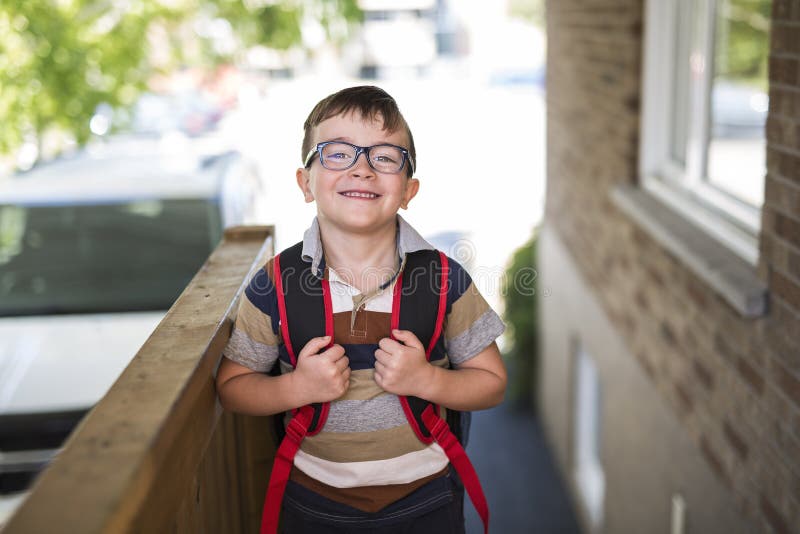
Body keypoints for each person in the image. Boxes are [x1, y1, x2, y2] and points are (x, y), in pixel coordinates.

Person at [216, 85, 507, 533]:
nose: (363, 169)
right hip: (313, 501)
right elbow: (233, 387)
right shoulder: (274, 284)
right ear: (305, 183)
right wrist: (296, 388)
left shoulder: (444, 279)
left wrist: (426, 379)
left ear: (408, 190)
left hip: (426, 499)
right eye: (336, 153)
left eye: (385, 157)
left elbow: (491, 384)